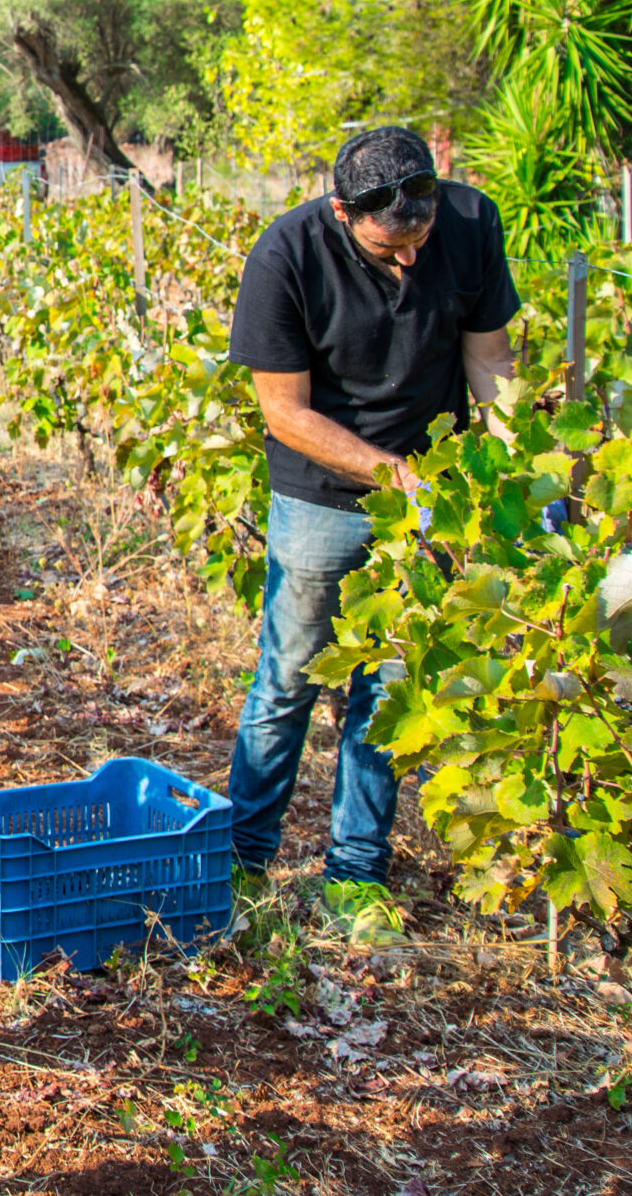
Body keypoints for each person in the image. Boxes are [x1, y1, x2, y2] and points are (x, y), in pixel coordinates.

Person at [227, 125, 518, 942]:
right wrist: (394, 476)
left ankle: (356, 872)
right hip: (321, 492)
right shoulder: (285, 255)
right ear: (341, 211)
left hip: (434, 500)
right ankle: (244, 856)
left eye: (423, 236)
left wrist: (513, 466)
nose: (413, 258)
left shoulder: (467, 222)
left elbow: (488, 359)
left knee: (390, 689)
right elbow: (283, 411)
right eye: (393, 246)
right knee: (288, 678)